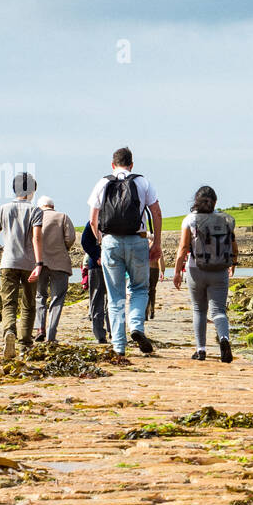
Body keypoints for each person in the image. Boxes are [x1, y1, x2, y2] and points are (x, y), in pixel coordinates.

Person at [88, 147, 161, 358]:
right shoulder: (142, 182)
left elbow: (93, 219)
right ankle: (136, 326)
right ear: (131, 164)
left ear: (113, 164)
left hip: (111, 242)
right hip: (138, 240)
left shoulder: (103, 183)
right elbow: (156, 212)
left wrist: (101, 241)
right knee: (139, 288)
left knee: (115, 294)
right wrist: (156, 242)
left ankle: (119, 346)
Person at [173, 185, 237, 363]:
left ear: (196, 201)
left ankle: (201, 350)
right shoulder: (225, 219)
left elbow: (184, 248)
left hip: (196, 270)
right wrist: (233, 263)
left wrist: (177, 271)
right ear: (215, 202)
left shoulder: (189, 220)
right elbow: (233, 246)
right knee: (218, 311)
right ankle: (224, 338)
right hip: (220, 271)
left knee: (199, 310)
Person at [0, 172, 44, 362]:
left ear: (14, 189)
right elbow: (36, 238)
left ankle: (9, 331)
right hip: (28, 263)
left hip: (7, 263)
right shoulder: (35, 210)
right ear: (32, 190)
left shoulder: (2, 209)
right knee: (29, 304)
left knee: (8, 303)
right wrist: (39, 263)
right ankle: (25, 344)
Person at [32, 196, 76, 343]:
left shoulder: (34, 217)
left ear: (40, 206)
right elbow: (70, 238)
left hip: (39, 262)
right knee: (57, 298)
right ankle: (51, 334)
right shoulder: (62, 217)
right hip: (60, 262)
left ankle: (40, 328)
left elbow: (30, 238)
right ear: (52, 205)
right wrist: (63, 249)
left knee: (40, 296)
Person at [80, 221, 109, 344]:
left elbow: (85, 242)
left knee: (97, 298)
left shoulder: (95, 220)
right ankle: (113, 331)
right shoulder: (118, 218)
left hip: (97, 264)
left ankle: (100, 334)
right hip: (111, 263)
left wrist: (96, 256)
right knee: (113, 299)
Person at [144, 204, 163, 323]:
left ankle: (146, 311)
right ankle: (151, 310)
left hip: (147, 269)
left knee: (146, 290)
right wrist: (163, 271)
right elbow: (161, 259)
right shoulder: (155, 246)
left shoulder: (144, 245)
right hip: (154, 269)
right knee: (152, 290)